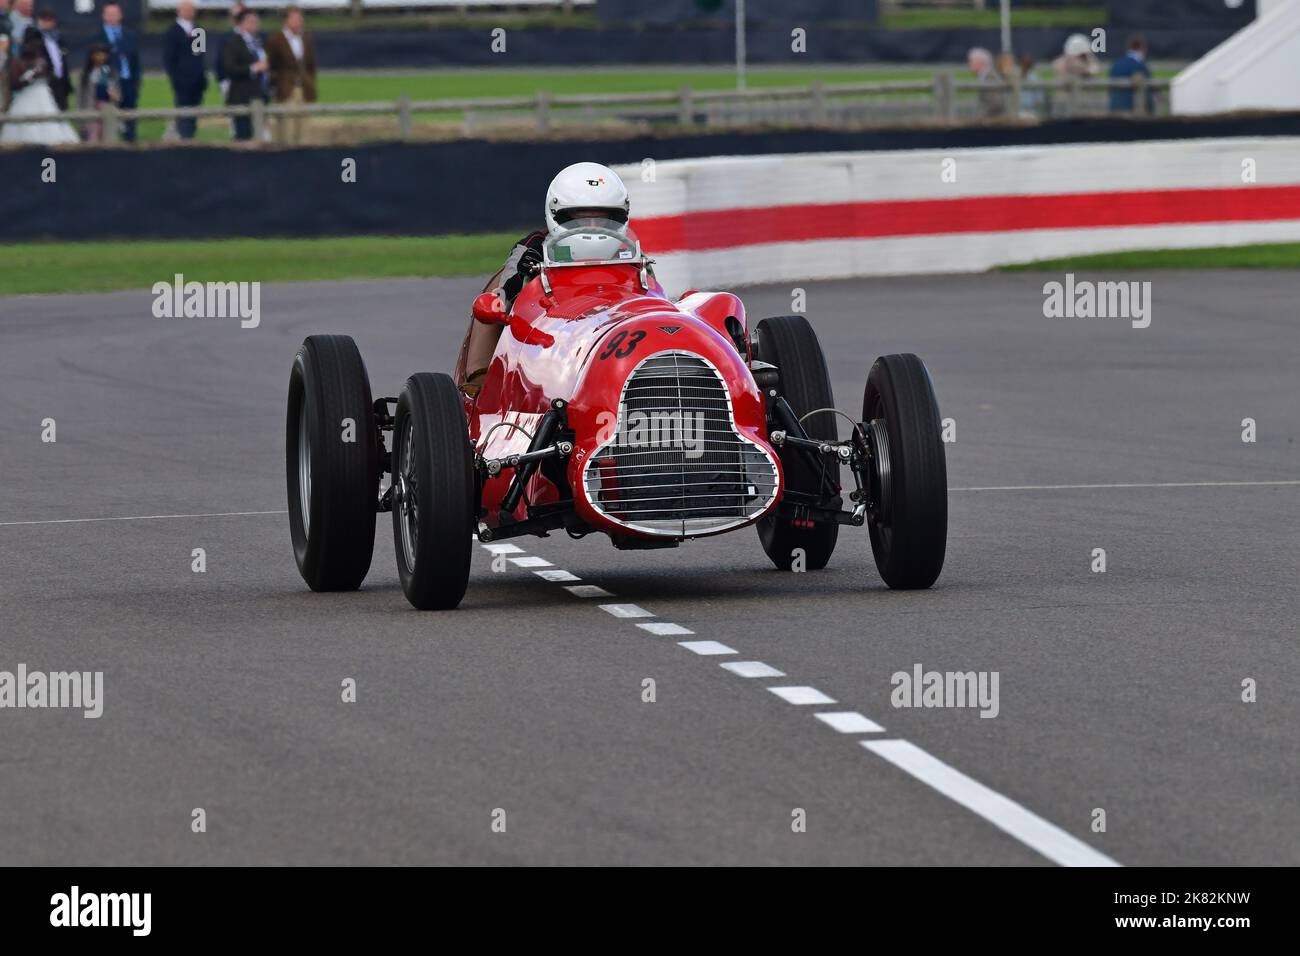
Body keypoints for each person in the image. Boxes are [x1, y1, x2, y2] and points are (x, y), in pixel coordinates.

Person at [456, 162, 634, 395]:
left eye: (602, 220)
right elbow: (502, 294)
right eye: (580, 219)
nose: (591, 228)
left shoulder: (631, 254)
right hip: (545, 337)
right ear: (558, 215)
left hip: (610, 337)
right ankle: (479, 382)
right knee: (490, 301)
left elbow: (649, 293)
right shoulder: (531, 248)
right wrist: (514, 287)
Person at [1, 29, 77, 144]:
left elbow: (53, 77)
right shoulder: (18, 62)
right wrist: (31, 77)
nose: (35, 46)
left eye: (37, 43)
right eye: (32, 43)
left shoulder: (44, 60)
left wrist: (43, 73)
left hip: (44, 96)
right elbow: (14, 84)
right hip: (26, 97)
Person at [265, 5, 316, 145]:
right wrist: (277, 85)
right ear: (286, 20)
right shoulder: (275, 40)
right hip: (286, 91)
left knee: (304, 131)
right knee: (287, 130)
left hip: (303, 89)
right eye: (296, 18)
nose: (299, 22)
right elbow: (269, 66)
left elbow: (311, 65)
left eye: (300, 19)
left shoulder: (306, 38)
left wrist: (310, 83)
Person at [222, 7, 267, 142]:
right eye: (251, 21)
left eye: (256, 21)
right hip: (241, 97)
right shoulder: (232, 43)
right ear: (241, 23)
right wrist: (253, 68)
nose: (255, 24)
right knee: (243, 136)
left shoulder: (260, 42)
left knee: (257, 135)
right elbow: (230, 69)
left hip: (259, 95)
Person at [163, 0, 206, 140]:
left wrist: (201, 77)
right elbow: (169, 59)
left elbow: (199, 56)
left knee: (194, 113)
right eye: (186, 9)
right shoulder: (172, 32)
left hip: (197, 81)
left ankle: (190, 137)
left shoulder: (198, 31)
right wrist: (177, 79)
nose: (189, 12)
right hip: (182, 82)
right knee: (184, 112)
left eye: (191, 9)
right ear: (179, 11)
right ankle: (184, 140)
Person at [97, 1, 139, 142]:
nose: (112, 17)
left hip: (128, 83)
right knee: (109, 123)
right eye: (109, 14)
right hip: (109, 85)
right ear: (104, 16)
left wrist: (136, 83)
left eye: (115, 13)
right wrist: (106, 85)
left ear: (120, 15)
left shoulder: (130, 36)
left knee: (130, 122)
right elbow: (97, 65)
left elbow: (136, 62)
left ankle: (131, 151)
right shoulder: (98, 38)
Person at [75, 41, 118, 142]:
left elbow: (117, 93)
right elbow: (79, 96)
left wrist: (115, 96)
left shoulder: (110, 72)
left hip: (107, 108)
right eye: (98, 54)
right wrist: (80, 115)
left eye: (103, 54)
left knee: (107, 137)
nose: (101, 57)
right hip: (90, 109)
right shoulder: (85, 74)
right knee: (92, 137)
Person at [1109, 34, 1154, 114]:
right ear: (1142, 48)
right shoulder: (1141, 66)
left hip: (1114, 111)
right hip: (1134, 114)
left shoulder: (1116, 64)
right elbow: (1149, 92)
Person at [33, 8, 68, 111]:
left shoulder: (58, 38)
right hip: (45, 82)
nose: (48, 23)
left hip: (60, 82)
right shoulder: (35, 37)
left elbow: (63, 59)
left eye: (50, 20)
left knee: (61, 109)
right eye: (45, 20)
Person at [967, 47, 1005, 119]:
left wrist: (981, 118)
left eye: (971, 61)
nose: (969, 64)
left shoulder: (990, 78)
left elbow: (996, 103)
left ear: (981, 62)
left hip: (994, 124)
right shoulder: (985, 77)